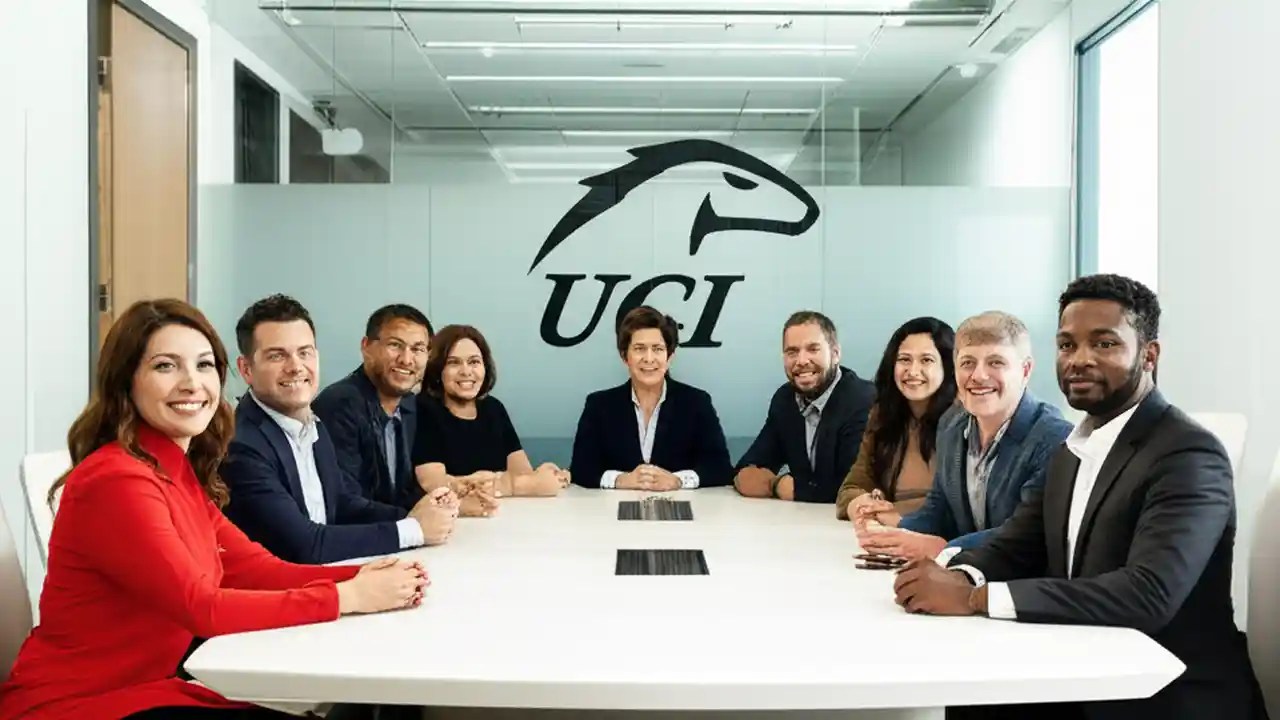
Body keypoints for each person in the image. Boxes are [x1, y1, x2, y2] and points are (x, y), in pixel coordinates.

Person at [0, 299, 427, 720]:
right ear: (126, 381)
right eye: (166, 366)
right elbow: (202, 608)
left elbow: (260, 571)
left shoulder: (173, 472)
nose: (192, 383)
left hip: (145, 690)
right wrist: (345, 596)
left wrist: (363, 577)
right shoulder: (117, 479)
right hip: (80, 704)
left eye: (204, 365)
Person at [891, 275, 1268, 720]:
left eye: (1104, 344)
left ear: (1149, 355)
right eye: (1067, 345)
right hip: (1084, 670)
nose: (1079, 360)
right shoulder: (1073, 449)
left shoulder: (1188, 453)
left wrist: (977, 598)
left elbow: (1148, 594)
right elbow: (1018, 543)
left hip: (1166, 695)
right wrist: (957, 574)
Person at [222, 295, 458, 565]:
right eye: (277, 356)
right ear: (246, 369)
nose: (296, 366)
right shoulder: (241, 445)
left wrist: (415, 515)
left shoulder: (312, 425)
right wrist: (414, 530)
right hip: (281, 595)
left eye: (304, 352)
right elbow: (306, 545)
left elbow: (340, 503)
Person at [857, 311, 1071, 560]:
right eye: (968, 363)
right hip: (964, 577)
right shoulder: (952, 424)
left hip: (1018, 589)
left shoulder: (1055, 438)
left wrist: (944, 549)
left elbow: (1030, 535)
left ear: (1025, 371)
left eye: (996, 362)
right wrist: (894, 530)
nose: (978, 376)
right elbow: (939, 510)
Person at [412, 324, 570, 517]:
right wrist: (508, 484)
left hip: (499, 520)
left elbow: (523, 473)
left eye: (474, 362)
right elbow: (435, 485)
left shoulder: (493, 408)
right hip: (450, 523)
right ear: (438, 370)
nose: (466, 371)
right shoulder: (422, 409)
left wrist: (543, 475)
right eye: (453, 363)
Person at [571, 306, 733, 491]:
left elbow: (720, 467)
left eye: (657, 349)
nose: (649, 358)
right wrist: (622, 480)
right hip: (613, 514)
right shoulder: (599, 405)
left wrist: (677, 481)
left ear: (669, 356)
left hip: (682, 512)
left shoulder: (696, 402)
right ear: (625, 357)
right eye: (639, 349)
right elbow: (581, 468)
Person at [733, 311, 876, 503]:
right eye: (792, 352)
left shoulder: (863, 400)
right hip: (802, 521)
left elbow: (852, 487)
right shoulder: (785, 399)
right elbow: (748, 469)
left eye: (813, 349)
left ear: (835, 354)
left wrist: (783, 486)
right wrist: (774, 484)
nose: (801, 361)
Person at [836, 317, 957, 521]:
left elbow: (958, 507)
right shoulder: (882, 415)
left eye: (926, 360)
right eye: (904, 360)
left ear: (947, 366)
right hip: (886, 533)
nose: (913, 371)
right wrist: (864, 505)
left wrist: (895, 512)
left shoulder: (964, 420)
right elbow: (851, 487)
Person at [313, 304, 432, 507]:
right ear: (366, 347)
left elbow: (401, 493)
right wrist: (415, 519)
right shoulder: (339, 405)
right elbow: (345, 502)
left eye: (417, 349)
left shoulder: (409, 405)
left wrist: (450, 499)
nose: (406, 359)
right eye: (395, 345)